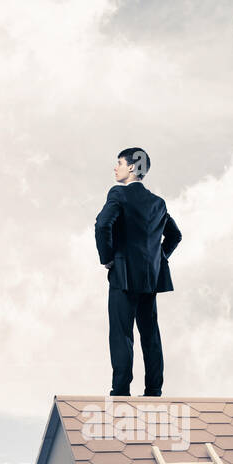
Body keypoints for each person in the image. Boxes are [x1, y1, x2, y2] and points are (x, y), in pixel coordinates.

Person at [94, 148, 181, 397]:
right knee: (150, 334)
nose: (115, 167)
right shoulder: (158, 203)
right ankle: (154, 390)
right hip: (149, 279)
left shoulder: (118, 193)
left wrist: (108, 259)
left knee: (122, 334)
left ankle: (121, 391)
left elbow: (102, 225)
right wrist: (158, 258)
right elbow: (175, 235)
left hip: (122, 275)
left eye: (119, 163)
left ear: (132, 167)